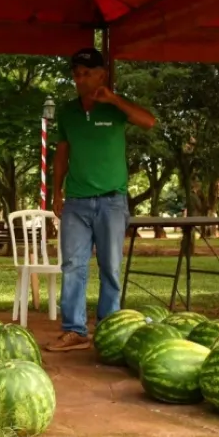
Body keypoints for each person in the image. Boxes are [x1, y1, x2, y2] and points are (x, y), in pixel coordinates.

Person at [47, 47, 156, 352]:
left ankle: (109, 329)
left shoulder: (115, 108)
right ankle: (74, 329)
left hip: (112, 202)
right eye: (77, 74)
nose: (80, 80)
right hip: (77, 203)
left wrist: (114, 100)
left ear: (101, 75)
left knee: (110, 266)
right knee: (72, 265)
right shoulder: (68, 112)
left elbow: (149, 122)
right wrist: (56, 191)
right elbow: (62, 153)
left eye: (87, 74)